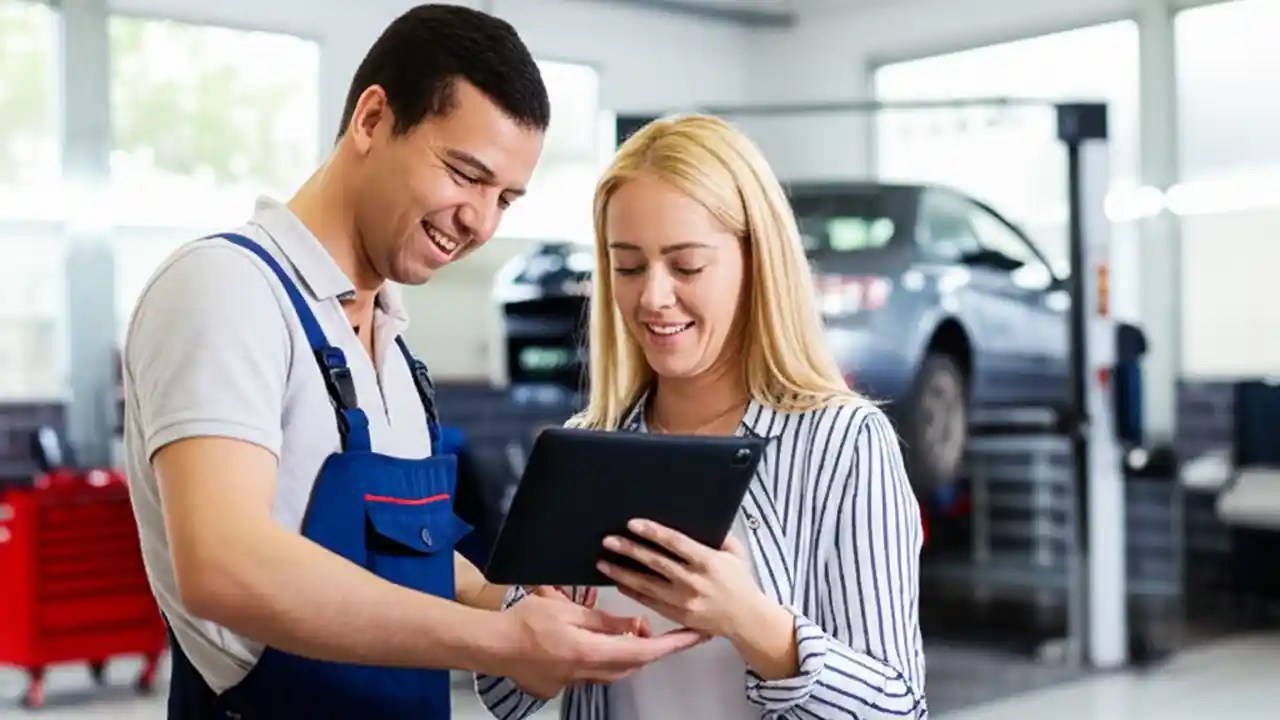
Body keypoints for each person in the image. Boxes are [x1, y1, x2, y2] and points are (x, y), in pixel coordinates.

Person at [121, 6, 702, 719]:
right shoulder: (229, 290)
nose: (481, 223)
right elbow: (224, 565)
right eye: (465, 174)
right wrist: (495, 641)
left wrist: (521, 607)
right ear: (371, 119)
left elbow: (394, 556)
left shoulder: (390, 341)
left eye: (505, 199)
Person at [476, 114, 928, 719]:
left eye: (686, 266)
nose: (653, 297)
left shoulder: (845, 445)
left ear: (755, 262)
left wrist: (751, 621)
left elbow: (899, 707)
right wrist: (537, 634)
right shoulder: (586, 448)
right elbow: (503, 695)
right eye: (628, 266)